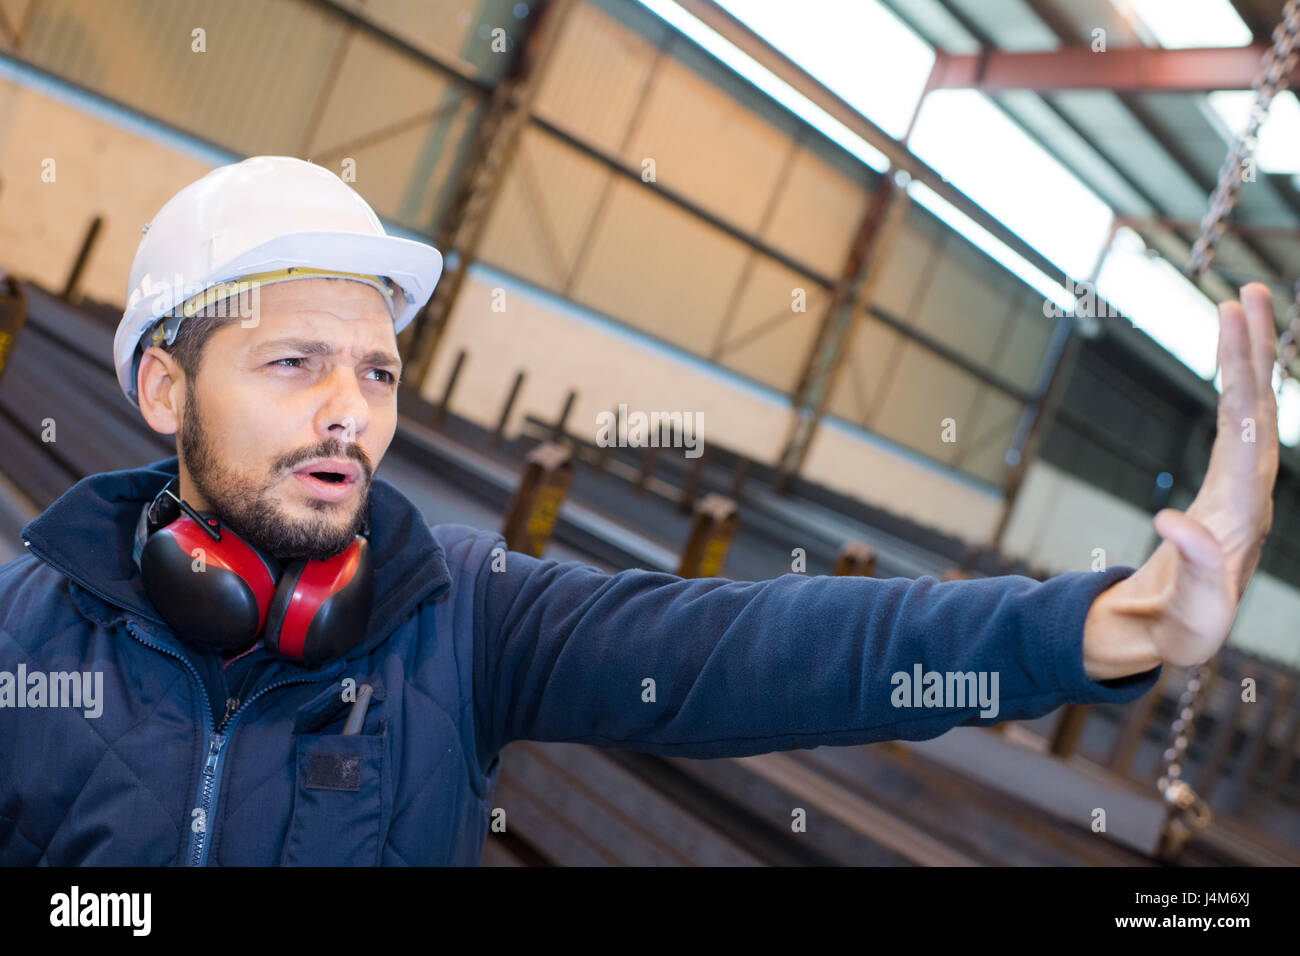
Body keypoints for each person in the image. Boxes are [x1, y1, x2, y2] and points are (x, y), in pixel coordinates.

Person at [0, 156, 1279, 865]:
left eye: (378, 371)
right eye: (294, 363)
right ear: (167, 385)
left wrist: (1104, 625)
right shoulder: (27, 638)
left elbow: (763, 653)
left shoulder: (462, 620)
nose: (351, 409)